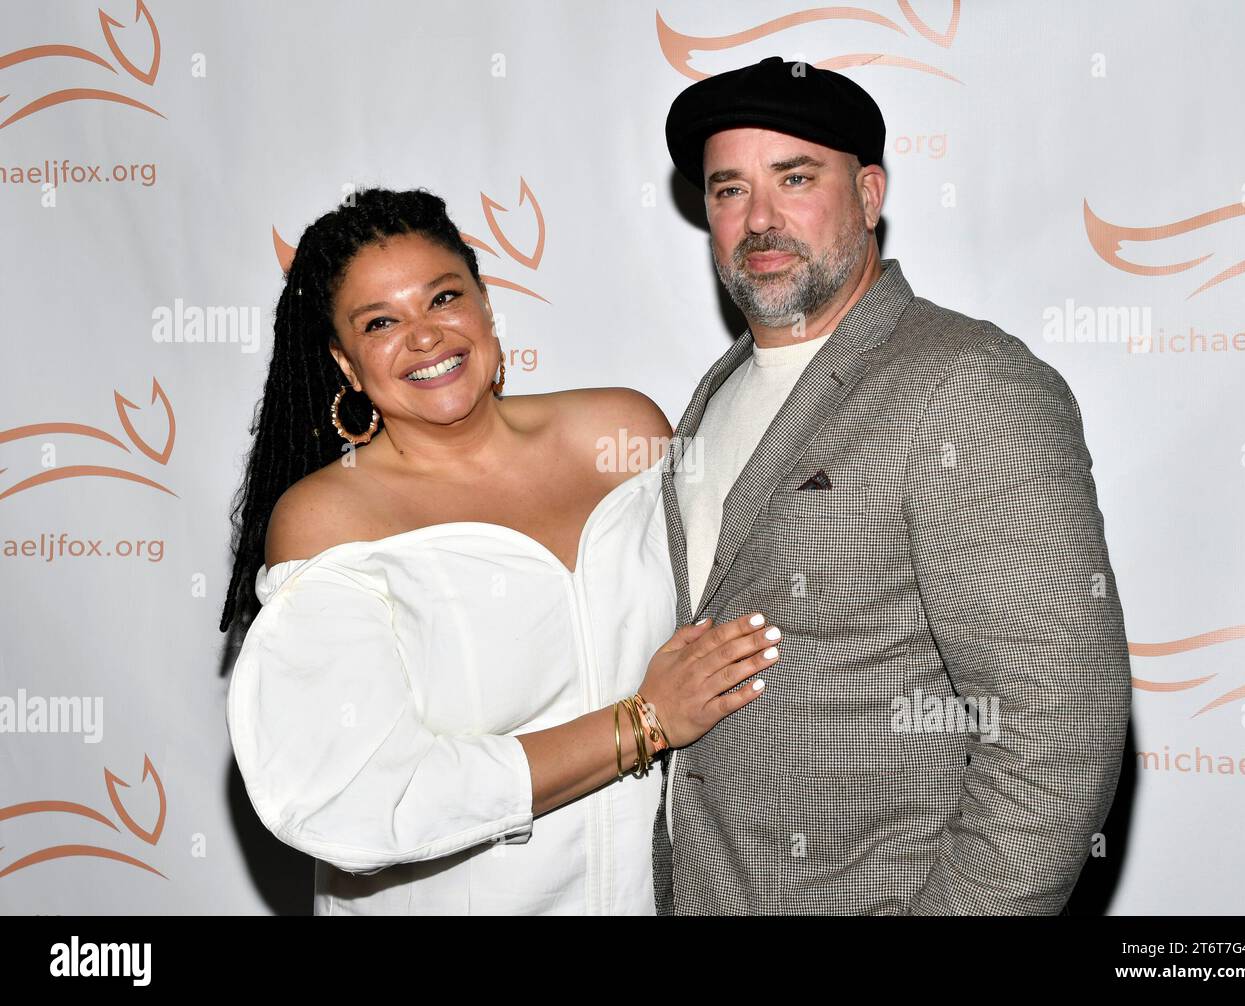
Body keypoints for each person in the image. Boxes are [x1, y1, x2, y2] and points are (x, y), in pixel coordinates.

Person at [653, 56, 1133, 915]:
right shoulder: (716, 394)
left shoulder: (968, 383)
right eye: (729, 191)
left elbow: (1056, 734)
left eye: (794, 179)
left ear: (870, 195)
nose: (759, 219)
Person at [218, 187, 780, 915]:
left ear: (486, 307)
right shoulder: (330, 517)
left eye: (443, 297)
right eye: (381, 321)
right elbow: (360, 796)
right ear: (347, 364)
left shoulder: (623, 433)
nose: (424, 336)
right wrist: (642, 723)